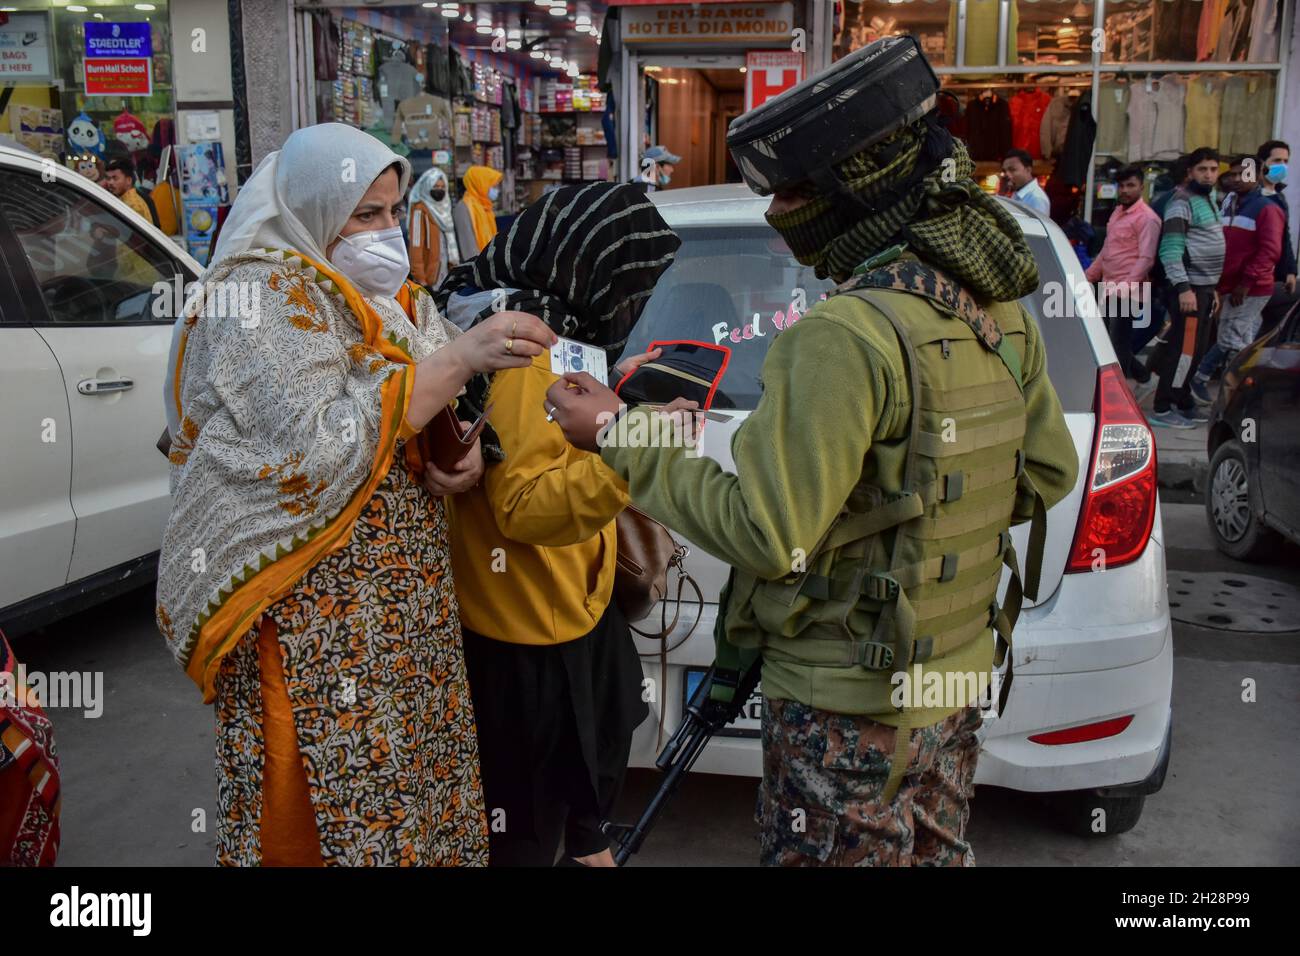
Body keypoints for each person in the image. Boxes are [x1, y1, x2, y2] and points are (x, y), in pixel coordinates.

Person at [546, 37, 1078, 867]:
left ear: (852, 193)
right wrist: (911, 519)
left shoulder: (843, 336)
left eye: (793, 192)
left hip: (845, 700)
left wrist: (621, 433)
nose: (776, 214)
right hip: (953, 679)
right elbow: (1045, 473)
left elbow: (768, 534)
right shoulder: (995, 310)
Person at [154, 123, 556, 866]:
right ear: (313, 210)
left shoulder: (390, 294)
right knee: (319, 788)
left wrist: (468, 459)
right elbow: (312, 444)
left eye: (393, 212)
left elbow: (442, 408)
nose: (386, 232)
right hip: (313, 608)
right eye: (364, 216)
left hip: (400, 605)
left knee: (410, 772)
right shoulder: (257, 294)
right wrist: (465, 357)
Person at [436, 183, 678, 866]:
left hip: (573, 618)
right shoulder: (521, 349)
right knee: (528, 837)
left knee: (586, 824)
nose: (637, 300)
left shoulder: (560, 330)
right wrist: (631, 448)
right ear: (590, 269)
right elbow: (525, 507)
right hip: (527, 643)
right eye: (633, 282)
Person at [1190, 155, 1285, 404]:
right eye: (1232, 173)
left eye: (1242, 173)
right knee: (1241, 340)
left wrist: (1246, 283)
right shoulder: (1231, 205)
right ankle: (1238, 395)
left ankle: (1213, 385)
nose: (1235, 178)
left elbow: (1270, 251)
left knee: (1232, 340)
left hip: (1249, 288)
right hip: (1230, 286)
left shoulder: (1266, 208)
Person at [1149, 146, 1224, 428]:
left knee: (1196, 350)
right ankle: (1163, 407)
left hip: (1204, 289)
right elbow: (1171, 249)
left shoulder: (1210, 199)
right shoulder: (1182, 201)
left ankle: (1182, 400)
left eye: (1213, 169)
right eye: (1202, 169)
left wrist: (1212, 288)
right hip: (1188, 290)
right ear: (1190, 172)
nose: (1208, 175)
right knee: (1185, 352)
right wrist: (1184, 288)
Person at [1086, 165, 1161, 402]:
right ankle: (1145, 378)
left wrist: (1125, 288)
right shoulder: (1117, 212)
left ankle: (1116, 398)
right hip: (1109, 286)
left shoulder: (1148, 218)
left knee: (1116, 345)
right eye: (1122, 185)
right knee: (1107, 342)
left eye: (1131, 185)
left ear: (1141, 186)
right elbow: (1107, 250)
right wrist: (1088, 275)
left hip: (1128, 291)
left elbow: (1146, 258)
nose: (1126, 190)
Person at [1256, 139, 1298, 337]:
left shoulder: (1278, 196)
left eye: (1285, 161)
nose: (1282, 166)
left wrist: (1290, 271)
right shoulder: (1253, 196)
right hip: (1254, 279)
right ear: (1263, 163)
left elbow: (1284, 237)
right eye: (1276, 160)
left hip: (1275, 277)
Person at [407, 167, 459, 288]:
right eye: (435, 187)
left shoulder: (445, 208)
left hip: (446, 269)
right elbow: (416, 246)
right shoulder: (420, 210)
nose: (439, 190)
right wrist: (420, 278)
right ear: (427, 187)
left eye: (442, 187)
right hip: (430, 276)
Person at [453, 165, 501, 260]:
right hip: (476, 267)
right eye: (493, 186)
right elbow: (468, 246)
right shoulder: (463, 207)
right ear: (481, 184)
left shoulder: (486, 207)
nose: (497, 190)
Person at [101, 157, 157, 225]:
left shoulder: (133, 206)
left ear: (129, 180)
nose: (110, 182)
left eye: (115, 178)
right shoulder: (126, 199)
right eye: (108, 179)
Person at [1001, 148, 1050, 215]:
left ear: (1028, 170)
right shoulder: (1017, 193)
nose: (1007, 175)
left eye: (1012, 170)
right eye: (1005, 171)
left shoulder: (1037, 199)